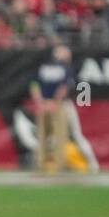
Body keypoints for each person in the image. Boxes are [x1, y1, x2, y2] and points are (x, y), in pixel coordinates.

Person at [30, 44, 74, 173]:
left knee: (41, 135)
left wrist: (40, 102)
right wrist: (54, 103)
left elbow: (34, 85)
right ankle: (59, 164)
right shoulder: (66, 68)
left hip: (43, 104)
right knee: (60, 135)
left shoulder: (42, 66)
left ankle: (40, 163)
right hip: (57, 105)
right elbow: (64, 87)